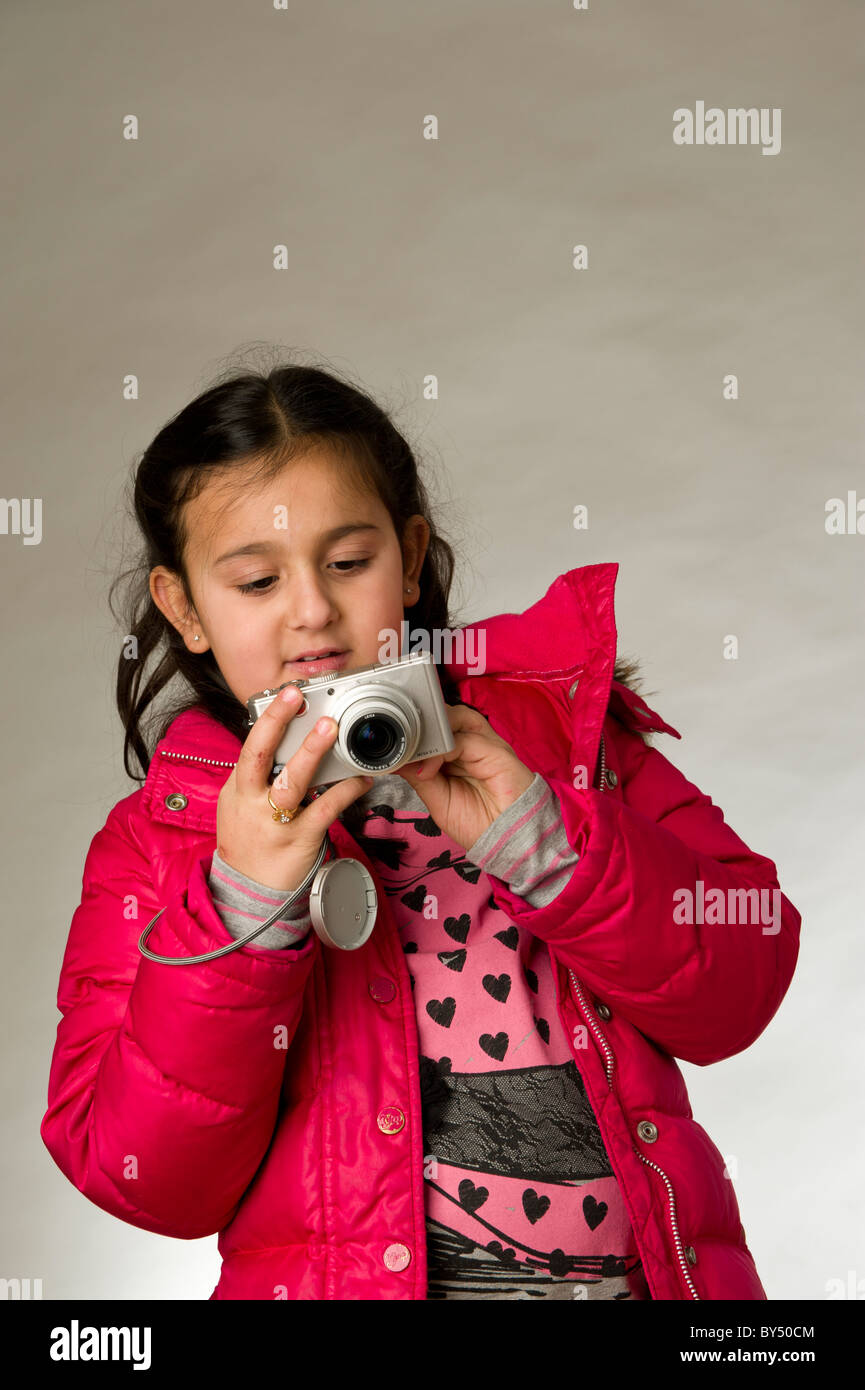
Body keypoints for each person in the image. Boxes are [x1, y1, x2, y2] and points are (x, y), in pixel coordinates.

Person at [40, 360, 801, 1301]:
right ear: (185, 608)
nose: (311, 610)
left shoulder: (564, 748)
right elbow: (147, 1177)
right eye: (254, 581)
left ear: (409, 556)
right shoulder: (163, 839)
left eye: (349, 563)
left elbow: (741, 988)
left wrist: (545, 840)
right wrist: (240, 903)